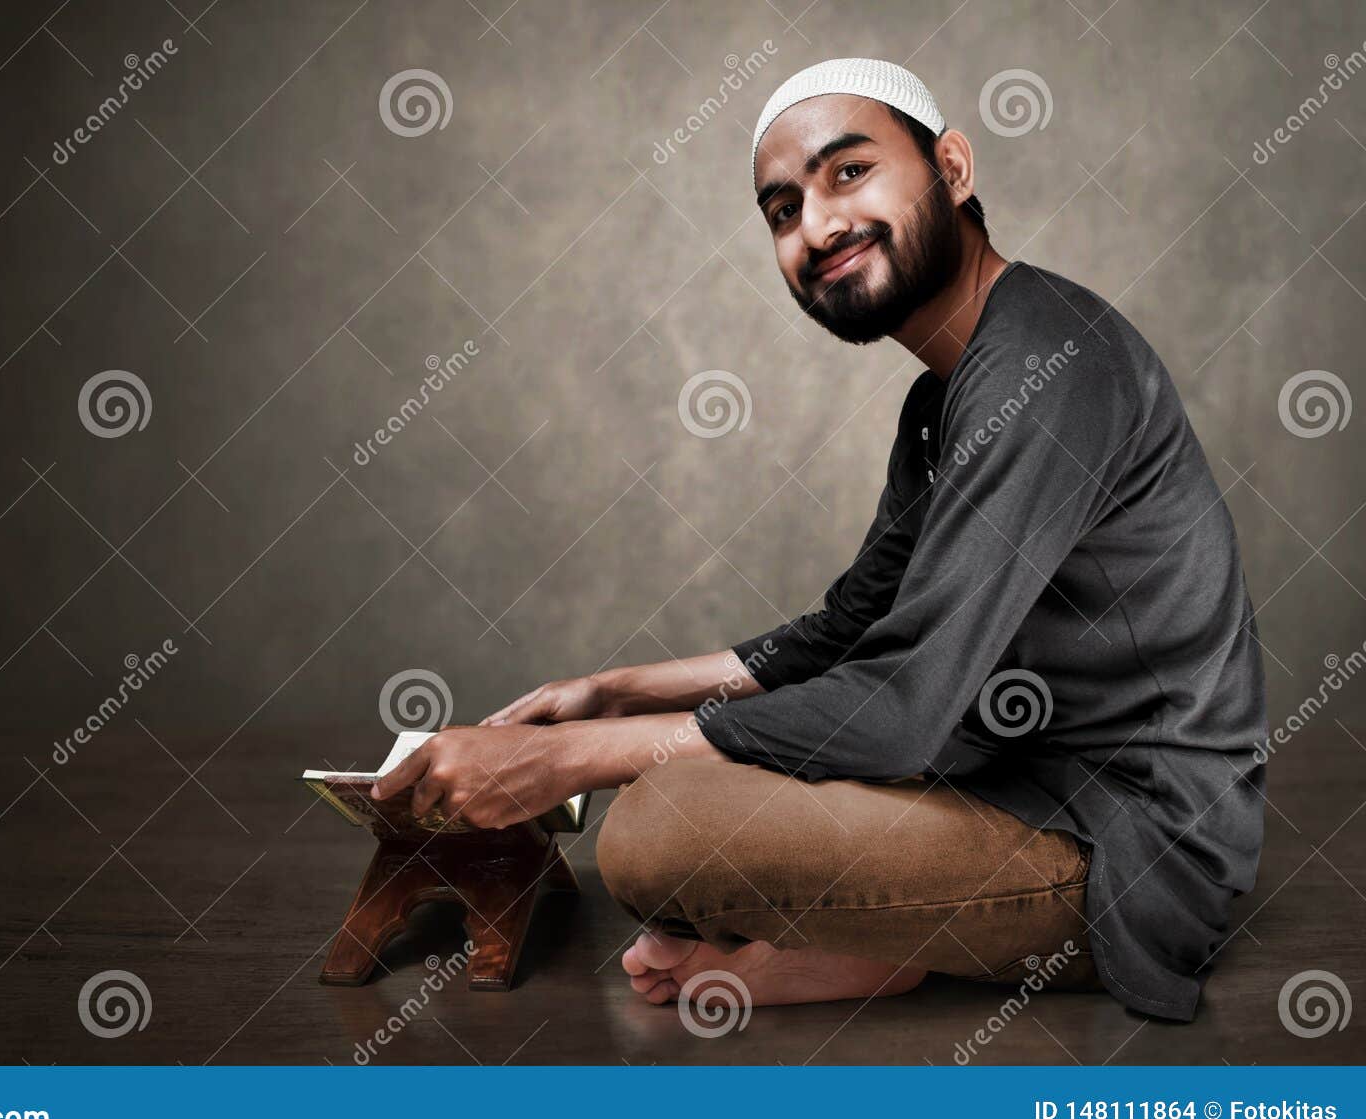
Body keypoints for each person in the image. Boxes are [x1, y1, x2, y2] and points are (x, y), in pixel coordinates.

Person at [374, 59, 1267, 1023]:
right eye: (782, 210)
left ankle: (870, 938)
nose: (820, 226)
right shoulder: (944, 397)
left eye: (849, 173)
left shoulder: (1048, 367)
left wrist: (568, 761)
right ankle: (861, 944)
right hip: (995, 781)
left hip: (1126, 843)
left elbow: (900, 709)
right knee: (686, 792)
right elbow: (848, 631)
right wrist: (612, 691)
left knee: (659, 831)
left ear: (953, 168)